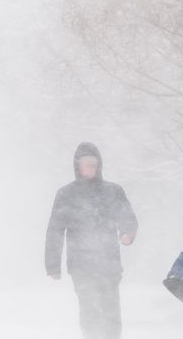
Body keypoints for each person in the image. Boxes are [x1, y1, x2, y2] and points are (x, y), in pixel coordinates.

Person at [46, 142, 138, 339]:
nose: (90, 167)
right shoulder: (66, 194)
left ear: (99, 165)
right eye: (86, 163)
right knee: (90, 310)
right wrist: (53, 265)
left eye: (94, 163)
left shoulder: (113, 191)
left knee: (111, 310)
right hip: (81, 266)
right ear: (77, 165)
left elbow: (128, 217)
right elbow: (55, 230)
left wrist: (127, 233)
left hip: (109, 264)